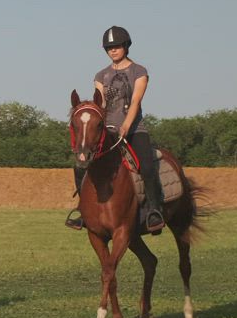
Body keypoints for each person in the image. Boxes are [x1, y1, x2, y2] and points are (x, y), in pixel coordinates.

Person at [66, 25, 166, 233]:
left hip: (134, 128)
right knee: (81, 165)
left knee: (146, 166)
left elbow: (136, 101)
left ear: (126, 46)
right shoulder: (101, 75)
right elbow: (100, 105)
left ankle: (154, 211)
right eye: (109, 47)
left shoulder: (139, 72)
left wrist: (126, 125)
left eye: (117, 46)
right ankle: (83, 211)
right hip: (108, 130)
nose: (113, 50)